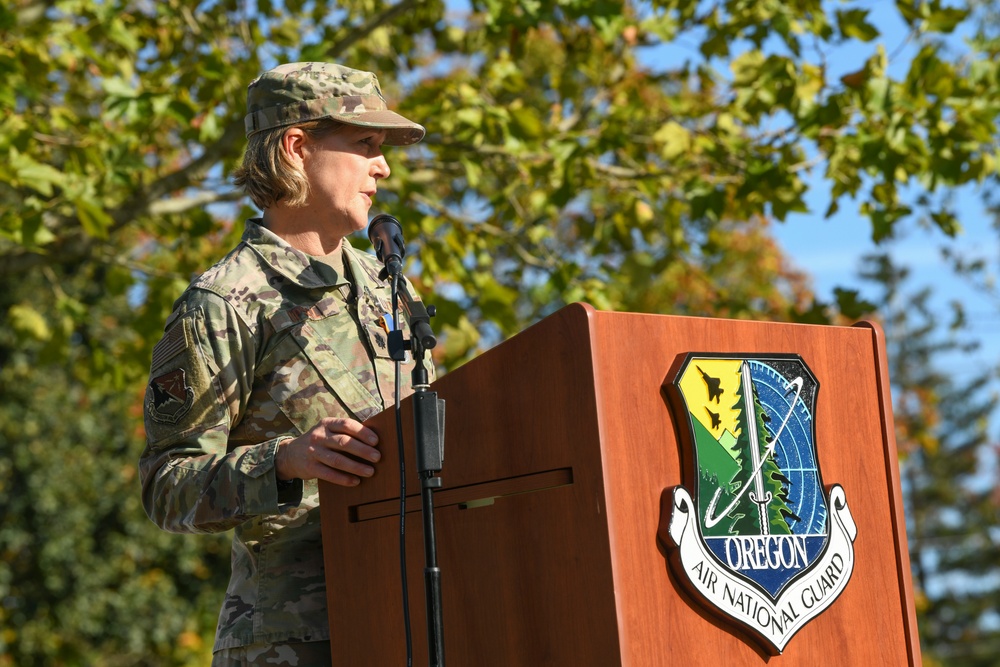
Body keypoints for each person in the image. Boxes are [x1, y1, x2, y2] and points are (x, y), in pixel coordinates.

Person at [139, 62, 430, 666]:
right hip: (292, 641)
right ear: (297, 147)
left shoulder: (390, 284)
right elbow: (166, 487)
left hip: (413, 618)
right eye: (365, 144)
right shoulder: (223, 302)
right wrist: (285, 462)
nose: (383, 167)